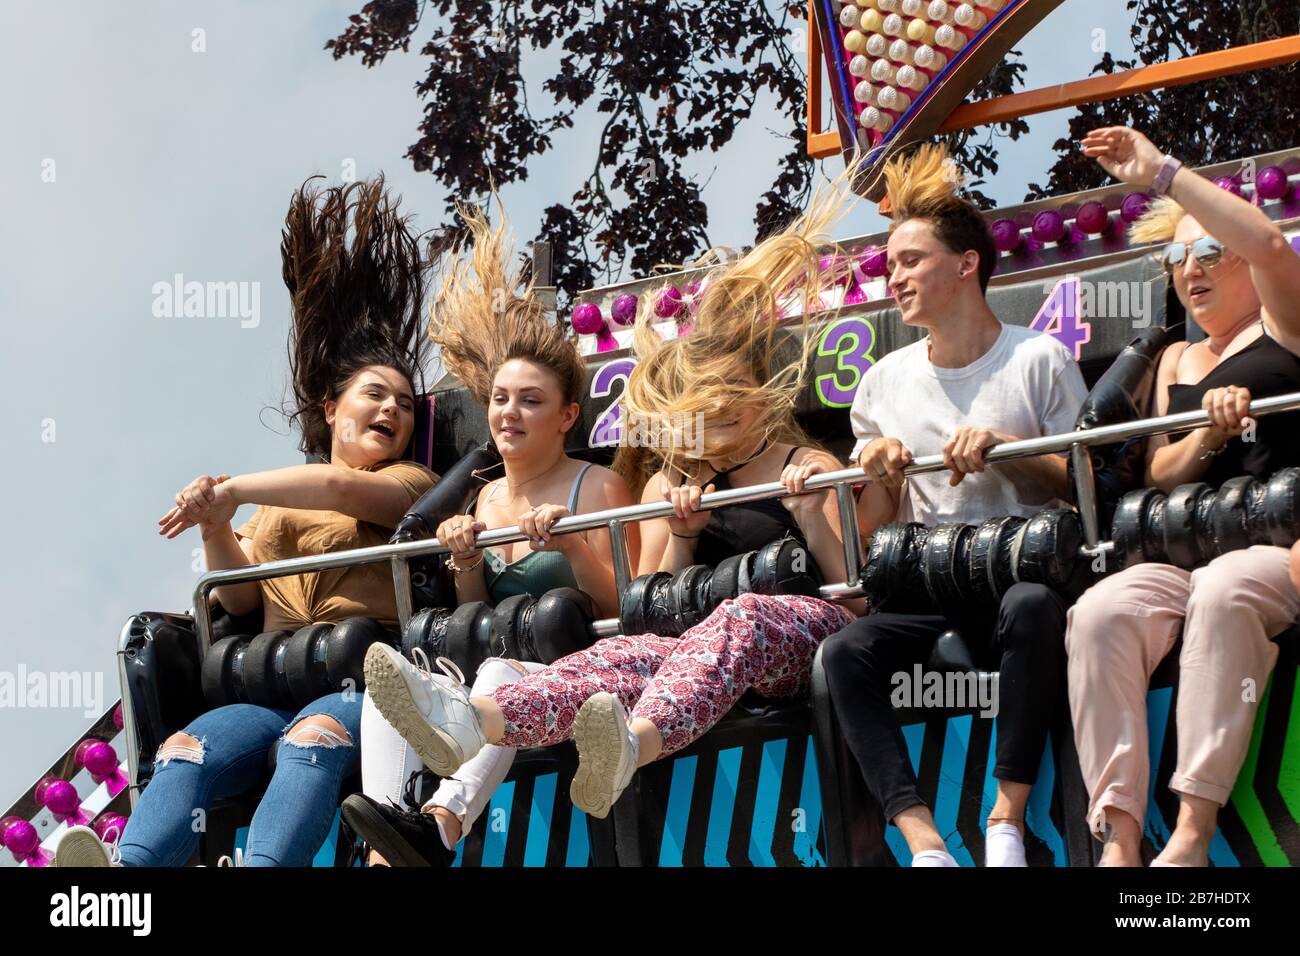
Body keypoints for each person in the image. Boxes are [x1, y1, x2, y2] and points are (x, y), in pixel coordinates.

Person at [362, 180, 867, 832]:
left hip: (798, 635)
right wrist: (682, 533)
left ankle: (634, 744)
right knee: (601, 663)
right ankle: (470, 721)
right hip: (694, 650)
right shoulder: (666, 486)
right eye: (700, 396)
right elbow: (643, 610)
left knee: (743, 617)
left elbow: (851, 596)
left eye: (728, 393)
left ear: (760, 396)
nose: (713, 409)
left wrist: (804, 512)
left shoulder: (809, 467)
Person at [55, 176, 438, 867]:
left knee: (309, 741)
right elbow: (239, 598)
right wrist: (213, 526)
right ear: (330, 410)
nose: (393, 412)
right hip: (267, 682)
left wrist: (228, 490)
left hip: (362, 682)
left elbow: (338, 487)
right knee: (183, 751)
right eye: (376, 395)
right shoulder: (274, 504)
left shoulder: (412, 483)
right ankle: (124, 875)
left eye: (406, 406)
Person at [818, 144, 1089, 867]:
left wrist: (1008, 448)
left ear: (967, 264)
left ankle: (1006, 821)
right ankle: (924, 840)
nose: (893, 277)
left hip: (1018, 580)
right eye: (890, 264)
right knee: (843, 651)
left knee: (1034, 605)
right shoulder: (879, 383)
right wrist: (875, 475)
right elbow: (872, 530)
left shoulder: (1039, 359)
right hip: (927, 583)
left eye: (910, 260)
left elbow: (1088, 491)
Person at [343, 201, 636, 866]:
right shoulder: (481, 495)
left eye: (530, 401)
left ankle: (443, 822)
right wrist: (465, 560)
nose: (509, 412)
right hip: (490, 677)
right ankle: (389, 849)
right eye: (501, 399)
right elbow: (475, 609)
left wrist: (570, 546)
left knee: (503, 677)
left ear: (566, 417)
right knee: (386, 682)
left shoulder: (598, 487)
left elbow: (628, 606)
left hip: (580, 677)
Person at [1065, 126, 1300, 866]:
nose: (1188, 270)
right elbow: (1162, 473)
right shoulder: (1173, 356)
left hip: (1275, 547)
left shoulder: (1286, 326)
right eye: (1175, 257)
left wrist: (1160, 174)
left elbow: (1268, 245)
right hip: (1188, 548)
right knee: (1100, 610)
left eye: (1206, 252)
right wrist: (1204, 435)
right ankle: (1120, 835)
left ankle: (1193, 831)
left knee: (1226, 590)